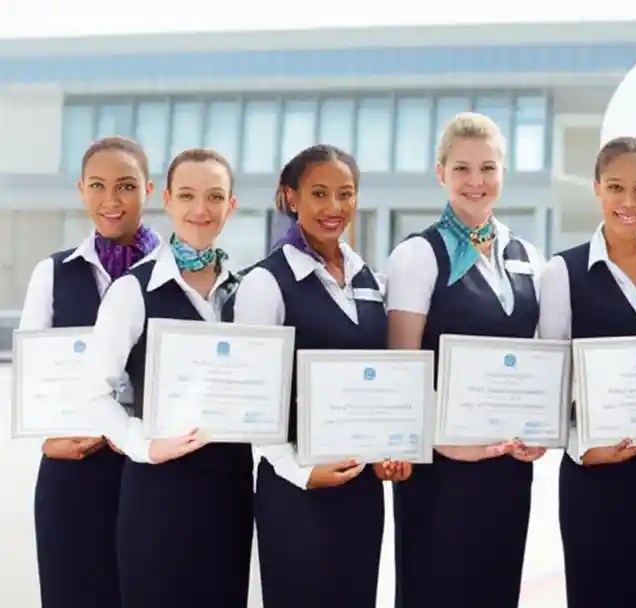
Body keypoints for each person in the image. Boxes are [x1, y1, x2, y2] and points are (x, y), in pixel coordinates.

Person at [229, 145, 410, 608]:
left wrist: (390, 451)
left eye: (345, 194)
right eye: (319, 194)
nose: (334, 208)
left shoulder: (370, 279)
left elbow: (384, 379)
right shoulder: (265, 283)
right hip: (296, 492)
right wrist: (302, 471)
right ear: (291, 197)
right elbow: (251, 396)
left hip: (362, 491)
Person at [385, 112, 548, 608]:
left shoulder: (529, 257)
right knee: (439, 587)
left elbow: (540, 359)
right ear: (441, 174)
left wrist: (540, 431)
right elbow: (402, 366)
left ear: (503, 172)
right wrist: (445, 441)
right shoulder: (418, 256)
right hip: (442, 467)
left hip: (507, 466)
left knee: (496, 587)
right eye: (461, 169)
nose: (476, 181)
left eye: (488, 168)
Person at [80, 148, 253, 608]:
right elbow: (92, 392)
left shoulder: (247, 292)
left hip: (230, 491)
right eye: (189, 195)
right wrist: (142, 444)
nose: (202, 209)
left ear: (231, 206)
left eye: (215, 196)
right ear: (169, 201)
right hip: (159, 492)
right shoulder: (133, 290)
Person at [538, 136, 636, 608]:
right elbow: (551, 381)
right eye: (616, 187)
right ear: (596, 189)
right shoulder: (562, 273)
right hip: (596, 479)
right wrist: (585, 449)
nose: (629, 202)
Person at [19, 136, 160, 608]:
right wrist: (46, 438)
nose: (111, 200)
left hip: (153, 470)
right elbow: (32, 374)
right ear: (81, 189)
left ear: (149, 190)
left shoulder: (174, 273)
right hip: (74, 470)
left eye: (125, 186)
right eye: (97, 186)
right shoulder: (53, 273)